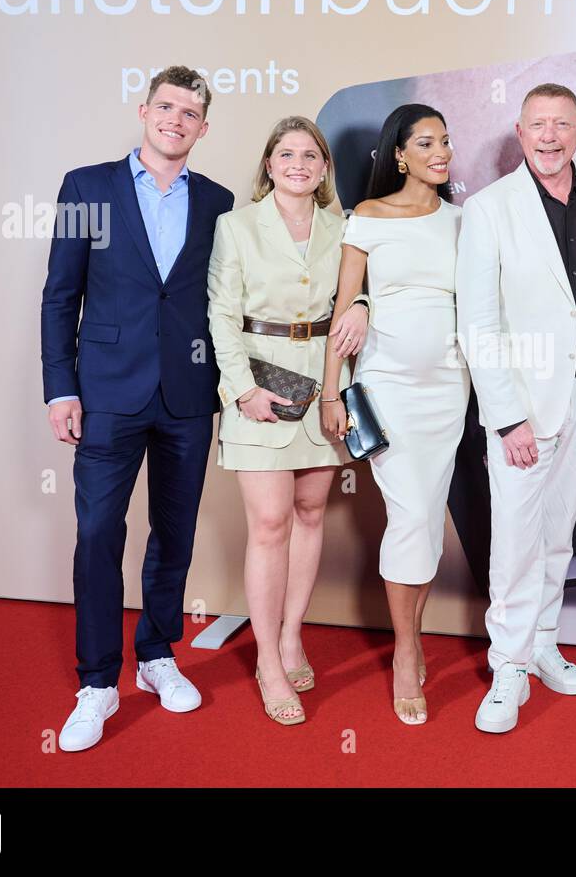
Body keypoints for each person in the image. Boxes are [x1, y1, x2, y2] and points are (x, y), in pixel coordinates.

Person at [40, 66, 234, 752]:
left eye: (191, 113)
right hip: (106, 393)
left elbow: (221, 301)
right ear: (144, 109)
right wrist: (61, 387)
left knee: (173, 533)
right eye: (167, 106)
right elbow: (61, 294)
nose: (176, 120)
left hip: (186, 393)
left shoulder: (218, 200)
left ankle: (155, 656)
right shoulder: (86, 187)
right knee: (98, 535)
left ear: (204, 127)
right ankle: (96, 682)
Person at [455, 83, 576, 734]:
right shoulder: (490, 209)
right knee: (516, 540)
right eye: (538, 124)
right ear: (521, 132)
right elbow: (477, 322)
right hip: (523, 407)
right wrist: (507, 416)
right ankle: (508, 666)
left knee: (560, 535)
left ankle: (544, 642)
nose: (550, 135)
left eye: (562, 124)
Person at [207, 116, 368, 727]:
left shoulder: (344, 226)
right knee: (270, 523)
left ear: (324, 168)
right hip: (259, 387)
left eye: (310, 155)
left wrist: (362, 305)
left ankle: (293, 634)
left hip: (326, 384)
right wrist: (241, 390)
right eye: (286, 154)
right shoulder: (236, 225)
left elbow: (362, 290)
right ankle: (268, 660)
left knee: (308, 514)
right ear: (269, 164)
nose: (298, 163)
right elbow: (221, 315)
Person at [321, 104, 469, 726]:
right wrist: (332, 391)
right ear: (400, 154)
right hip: (388, 386)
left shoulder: (464, 221)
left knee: (426, 518)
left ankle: (412, 636)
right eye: (427, 142)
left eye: (446, 140)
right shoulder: (367, 218)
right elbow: (342, 305)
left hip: (449, 387)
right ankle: (407, 651)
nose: (442, 152)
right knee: (410, 514)